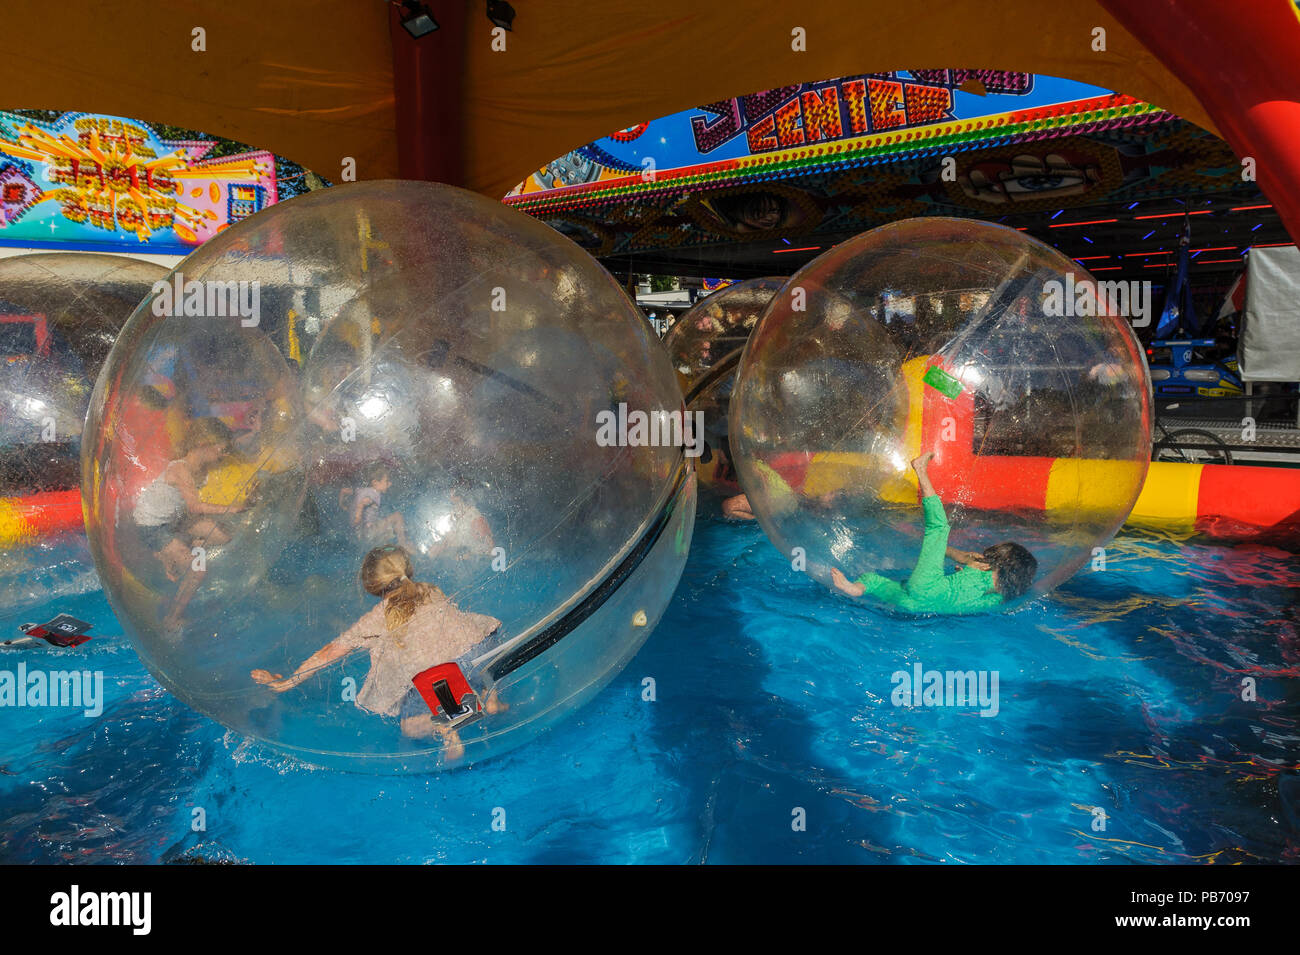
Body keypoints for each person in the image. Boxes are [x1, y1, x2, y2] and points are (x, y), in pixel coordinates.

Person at [251, 546, 506, 762]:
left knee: (410, 727)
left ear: (372, 585)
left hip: (443, 674)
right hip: (484, 650)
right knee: (465, 657)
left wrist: (286, 683)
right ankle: (491, 698)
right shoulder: (430, 589)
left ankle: (445, 723)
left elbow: (330, 652)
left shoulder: (376, 619)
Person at [830, 450, 1036, 614]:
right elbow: (967, 602)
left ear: (1003, 556)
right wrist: (960, 579)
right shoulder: (1000, 598)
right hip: (919, 608)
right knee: (885, 584)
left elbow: (956, 554)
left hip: (925, 589)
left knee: (938, 528)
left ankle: (920, 469)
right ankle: (855, 589)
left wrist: (935, 548)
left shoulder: (981, 563)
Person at [134, 418, 249, 630]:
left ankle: (179, 554)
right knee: (198, 571)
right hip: (152, 526)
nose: (223, 454)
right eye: (221, 449)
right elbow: (195, 507)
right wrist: (233, 508)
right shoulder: (181, 468)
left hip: (175, 520)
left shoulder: (202, 470)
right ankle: (172, 619)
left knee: (222, 535)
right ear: (204, 445)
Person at [345, 462, 413, 551]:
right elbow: (362, 503)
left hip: (357, 533)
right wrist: (357, 517)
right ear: (375, 483)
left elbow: (344, 491)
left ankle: (389, 547)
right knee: (397, 516)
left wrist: (343, 505)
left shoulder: (362, 489)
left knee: (389, 532)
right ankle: (403, 545)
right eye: (387, 481)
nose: (390, 484)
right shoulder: (373, 494)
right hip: (366, 533)